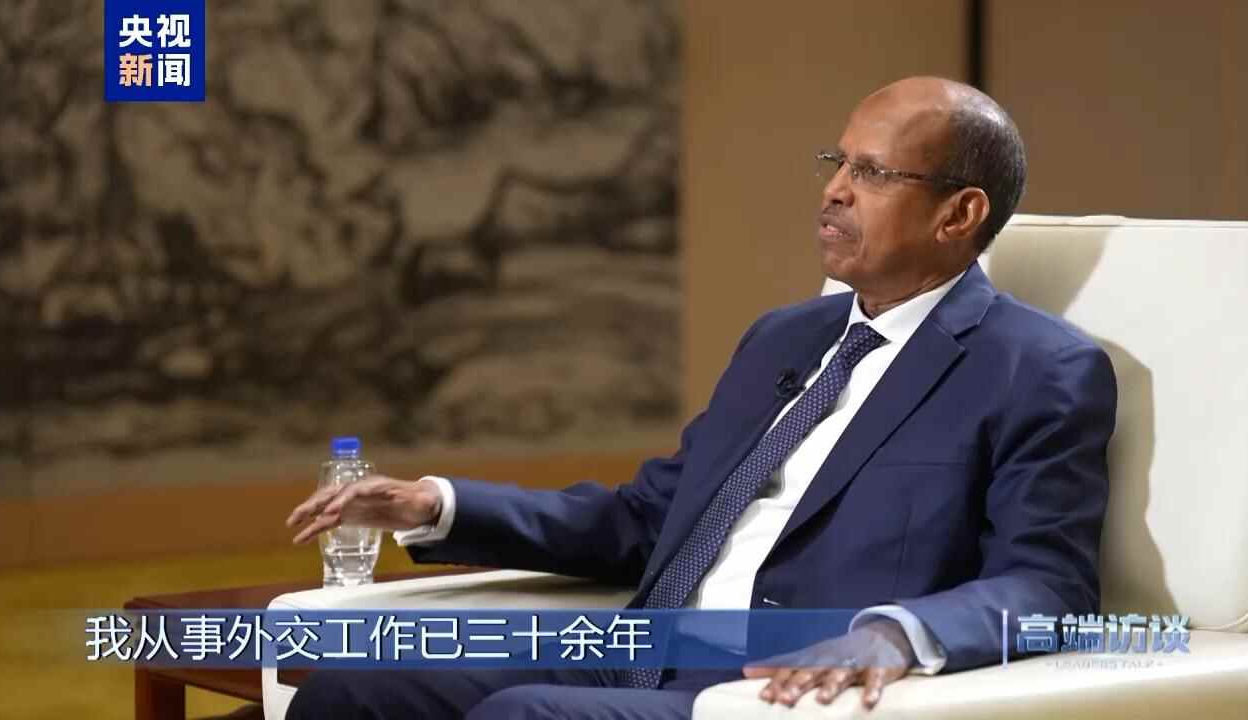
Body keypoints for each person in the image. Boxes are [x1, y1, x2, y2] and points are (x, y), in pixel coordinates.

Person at [284, 76, 1117, 719]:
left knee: (525, 716)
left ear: (958, 214)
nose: (833, 190)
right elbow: (649, 518)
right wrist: (438, 505)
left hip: (768, 683)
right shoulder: (784, 338)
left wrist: (895, 634)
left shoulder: (1035, 368)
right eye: (837, 164)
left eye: (871, 173)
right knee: (352, 691)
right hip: (643, 652)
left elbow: (1048, 585)